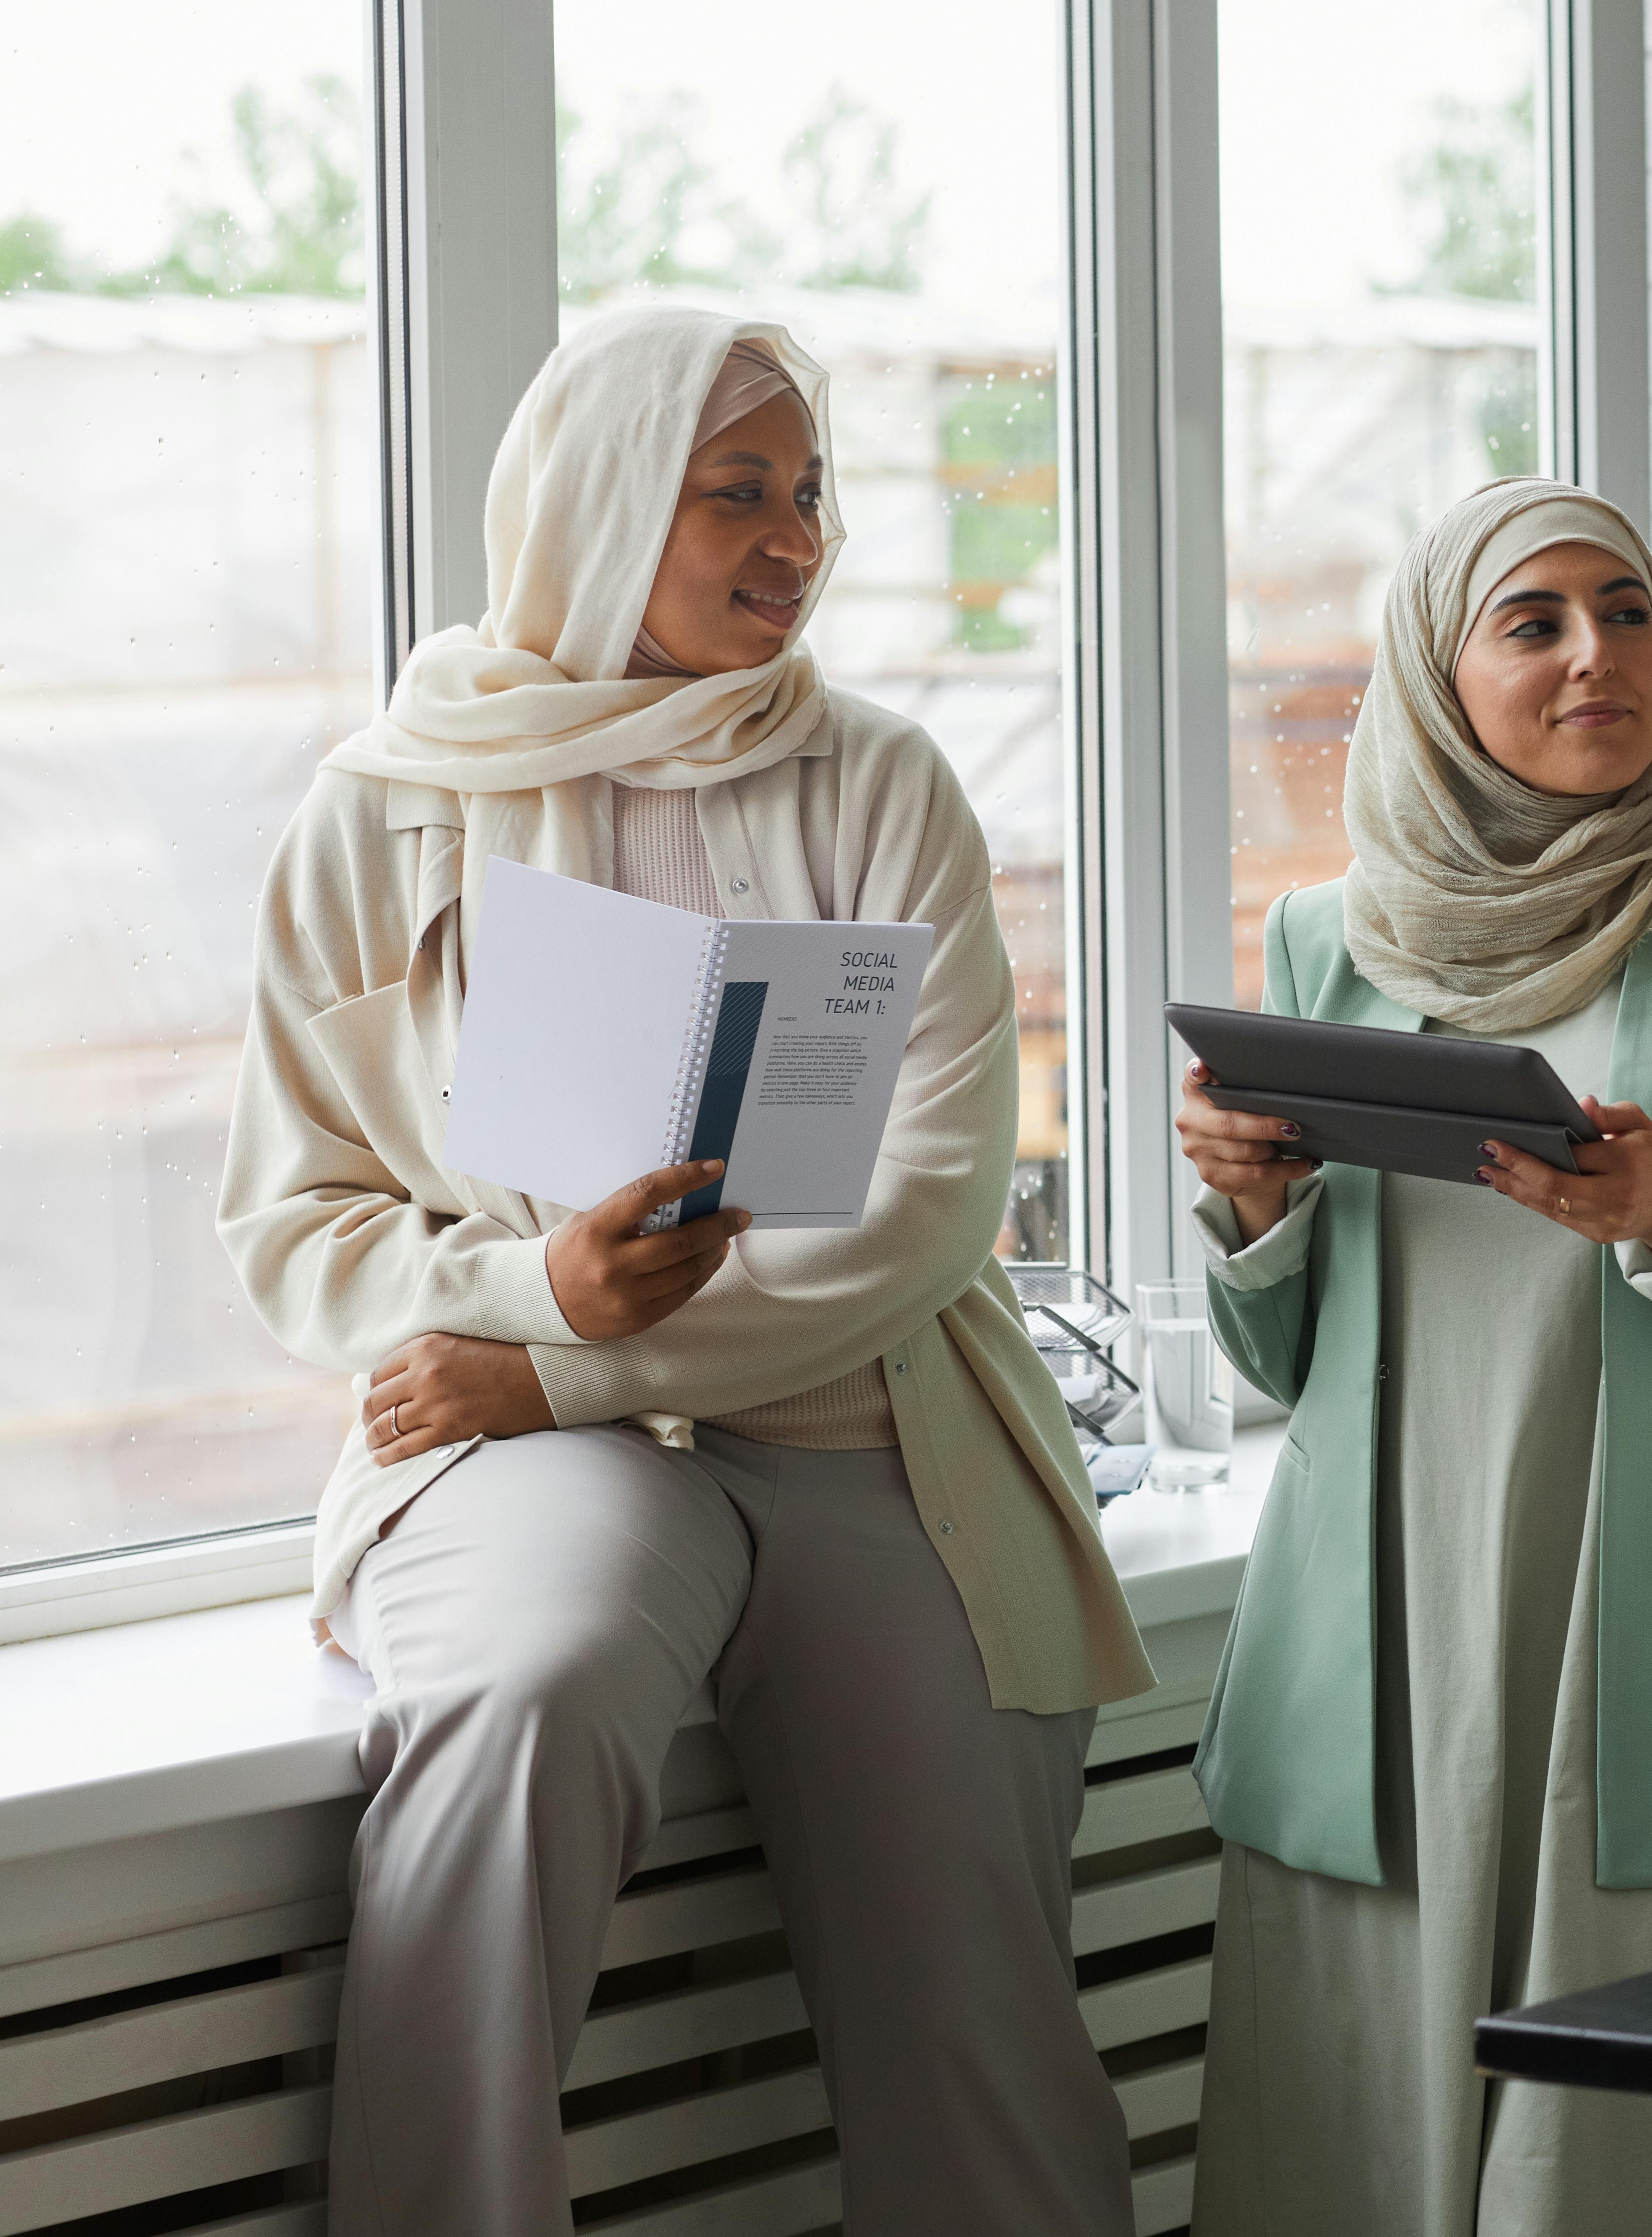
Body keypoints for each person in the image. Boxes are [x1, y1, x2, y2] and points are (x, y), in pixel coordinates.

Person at [219, 306, 1153, 2237]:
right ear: (599, 500)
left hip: (865, 1416)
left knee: (971, 1965)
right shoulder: (384, 802)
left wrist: (561, 1359)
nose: (796, 537)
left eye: (814, 493)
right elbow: (292, 1228)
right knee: (526, 1695)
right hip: (534, 1445)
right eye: (739, 491)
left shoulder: (881, 778)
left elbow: (929, 1210)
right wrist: (540, 1296)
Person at [1179, 477, 1652, 2237]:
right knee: (1363, 2132)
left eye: (1631, 611)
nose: (1600, 654)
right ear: (1441, 679)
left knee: (1636, 2148)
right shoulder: (1328, 942)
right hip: (1384, 1638)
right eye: (1536, 621)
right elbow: (1287, 1357)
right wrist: (1251, 1210)